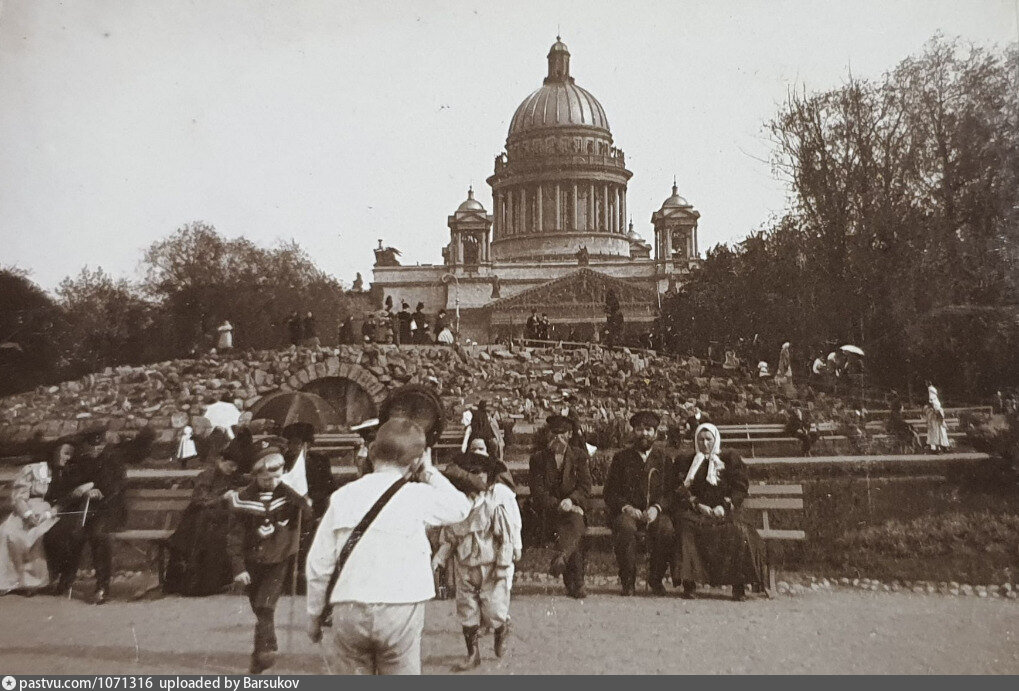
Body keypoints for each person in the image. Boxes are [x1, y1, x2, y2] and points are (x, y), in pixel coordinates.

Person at [305, 386, 472, 675]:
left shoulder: (343, 497)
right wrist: (429, 471)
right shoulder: (417, 496)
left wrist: (314, 615)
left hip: (350, 605)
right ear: (415, 461)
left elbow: (319, 565)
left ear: (370, 453)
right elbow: (460, 507)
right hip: (401, 607)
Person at [225, 439, 314, 674]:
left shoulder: (289, 494)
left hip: (279, 559)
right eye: (265, 479)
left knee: (266, 606)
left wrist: (302, 502)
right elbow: (234, 538)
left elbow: (306, 518)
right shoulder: (242, 499)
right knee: (259, 607)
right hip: (252, 562)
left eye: (276, 477)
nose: (272, 483)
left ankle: (268, 648)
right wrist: (238, 567)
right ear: (255, 475)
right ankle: (258, 658)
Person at [432, 442, 521, 670]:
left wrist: (503, 564)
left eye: (480, 473)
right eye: (470, 473)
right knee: (467, 609)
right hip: (464, 565)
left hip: (489, 566)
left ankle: (501, 628)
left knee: (494, 609)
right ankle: (473, 653)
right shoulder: (458, 509)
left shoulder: (492, 506)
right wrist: (440, 557)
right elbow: (450, 537)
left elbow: (506, 538)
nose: (475, 478)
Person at [670, 423, 765, 601]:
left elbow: (740, 487)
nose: (705, 443)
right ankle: (689, 584)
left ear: (716, 439)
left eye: (708, 439)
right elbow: (679, 488)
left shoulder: (729, 459)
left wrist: (725, 506)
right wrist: (697, 504)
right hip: (697, 511)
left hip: (723, 511)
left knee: (737, 530)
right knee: (685, 527)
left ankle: (739, 586)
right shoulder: (688, 460)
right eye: (701, 439)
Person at [43, 427, 125, 604]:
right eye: (93, 446)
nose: (97, 449)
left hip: (109, 509)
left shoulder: (114, 460)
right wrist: (83, 488)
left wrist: (98, 490)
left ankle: (103, 587)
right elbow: (72, 485)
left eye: (100, 445)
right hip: (87, 510)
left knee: (98, 535)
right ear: (87, 446)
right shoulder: (84, 462)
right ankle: (65, 580)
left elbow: (117, 486)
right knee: (70, 532)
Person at [602, 411, 675, 596]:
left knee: (666, 528)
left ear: (656, 432)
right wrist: (627, 508)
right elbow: (610, 492)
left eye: (648, 429)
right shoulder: (621, 458)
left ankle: (655, 579)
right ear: (633, 431)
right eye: (639, 429)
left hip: (654, 513)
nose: (644, 434)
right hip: (628, 513)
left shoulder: (664, 460)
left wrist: (657, 508)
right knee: (625, 528)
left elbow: (670, 492)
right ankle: (628, 581)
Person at [163, 449, 248, 596]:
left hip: (217, 520)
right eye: (230, 465)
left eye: (235, 467)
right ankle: (196, 584)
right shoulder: (207, 475)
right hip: (196, 519)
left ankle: (214, 583)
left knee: (222, 535)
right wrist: (222, 498)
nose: (233, 469)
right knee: (206, 537)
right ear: (221, 460)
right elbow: (199, 501)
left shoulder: (232, 476)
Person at [528, 414, 591, 598]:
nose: (557, 438)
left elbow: (585, 486)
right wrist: (559, 505)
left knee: (574, 523)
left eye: (562, 433)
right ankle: (576, 583)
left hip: (572, 511)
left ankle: (564, 562)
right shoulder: (538, 459)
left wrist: (571, 501)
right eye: (553, 433)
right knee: (574, 529)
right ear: (548, 435)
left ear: (570, 434)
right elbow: (537, 491)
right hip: (547, 515)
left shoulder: (579, 457)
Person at [0, 441, 70, 594]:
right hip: (27, 508)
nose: (64, 457)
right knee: (7, 532)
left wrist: (50, 512)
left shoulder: (68, 472)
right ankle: (7, 581)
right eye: (62, 452)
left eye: (68, 454)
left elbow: (66, 500)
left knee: (35, 535)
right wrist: (27, 514)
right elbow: (19, 496)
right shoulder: (34, 470)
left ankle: (32, 583)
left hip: (49, 511)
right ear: (53, 452)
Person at [924, 382, 950, 453]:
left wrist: (939, 416)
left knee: (940, 431)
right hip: (934, 417)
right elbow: (933, 406)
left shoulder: (935, 399)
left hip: (936, 416)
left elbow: (936, 407)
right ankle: (936, 448)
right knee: (935, 432)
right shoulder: (932, 400)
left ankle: (943, 446)